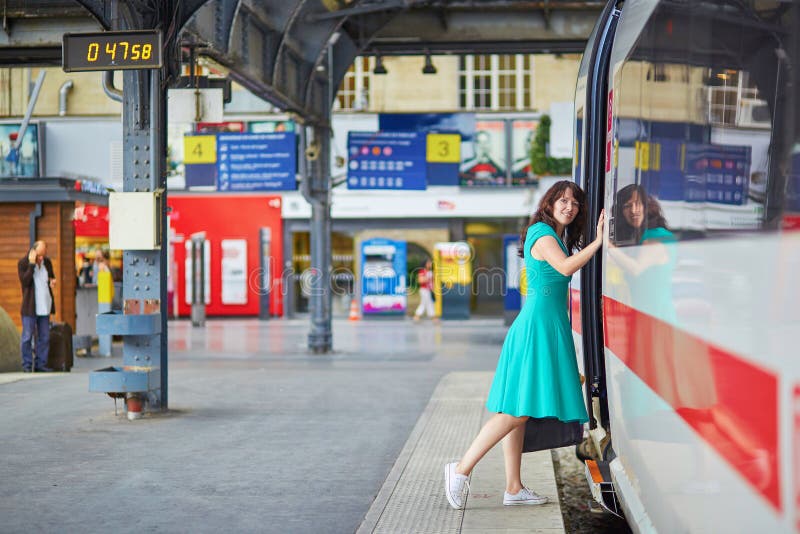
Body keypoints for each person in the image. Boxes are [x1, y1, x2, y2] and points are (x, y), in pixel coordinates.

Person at [444, 180, 604, 509]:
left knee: (519, 409)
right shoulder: (544, 233)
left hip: (545, 327)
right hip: (537, 329)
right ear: (549, 203)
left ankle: (514, 488)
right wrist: (600, 241)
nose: (569, 207)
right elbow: (564, 267)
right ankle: (460, 470)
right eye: (562, 200)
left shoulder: (554, 235)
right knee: (517, 412)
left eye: (574, 203)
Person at [18, 240, 55, 372]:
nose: (41, 258)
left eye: (43, 255)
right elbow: (25, 281)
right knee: (27, 337)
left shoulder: (47, 263)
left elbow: (51, 277)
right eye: (39, 255)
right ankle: (27, 365)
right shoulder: (23, 263)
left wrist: (52, 282)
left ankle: (41, 364)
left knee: (44, 337)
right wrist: (32, 264)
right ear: (33, 253)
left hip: (45, 306)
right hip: (30, 308)